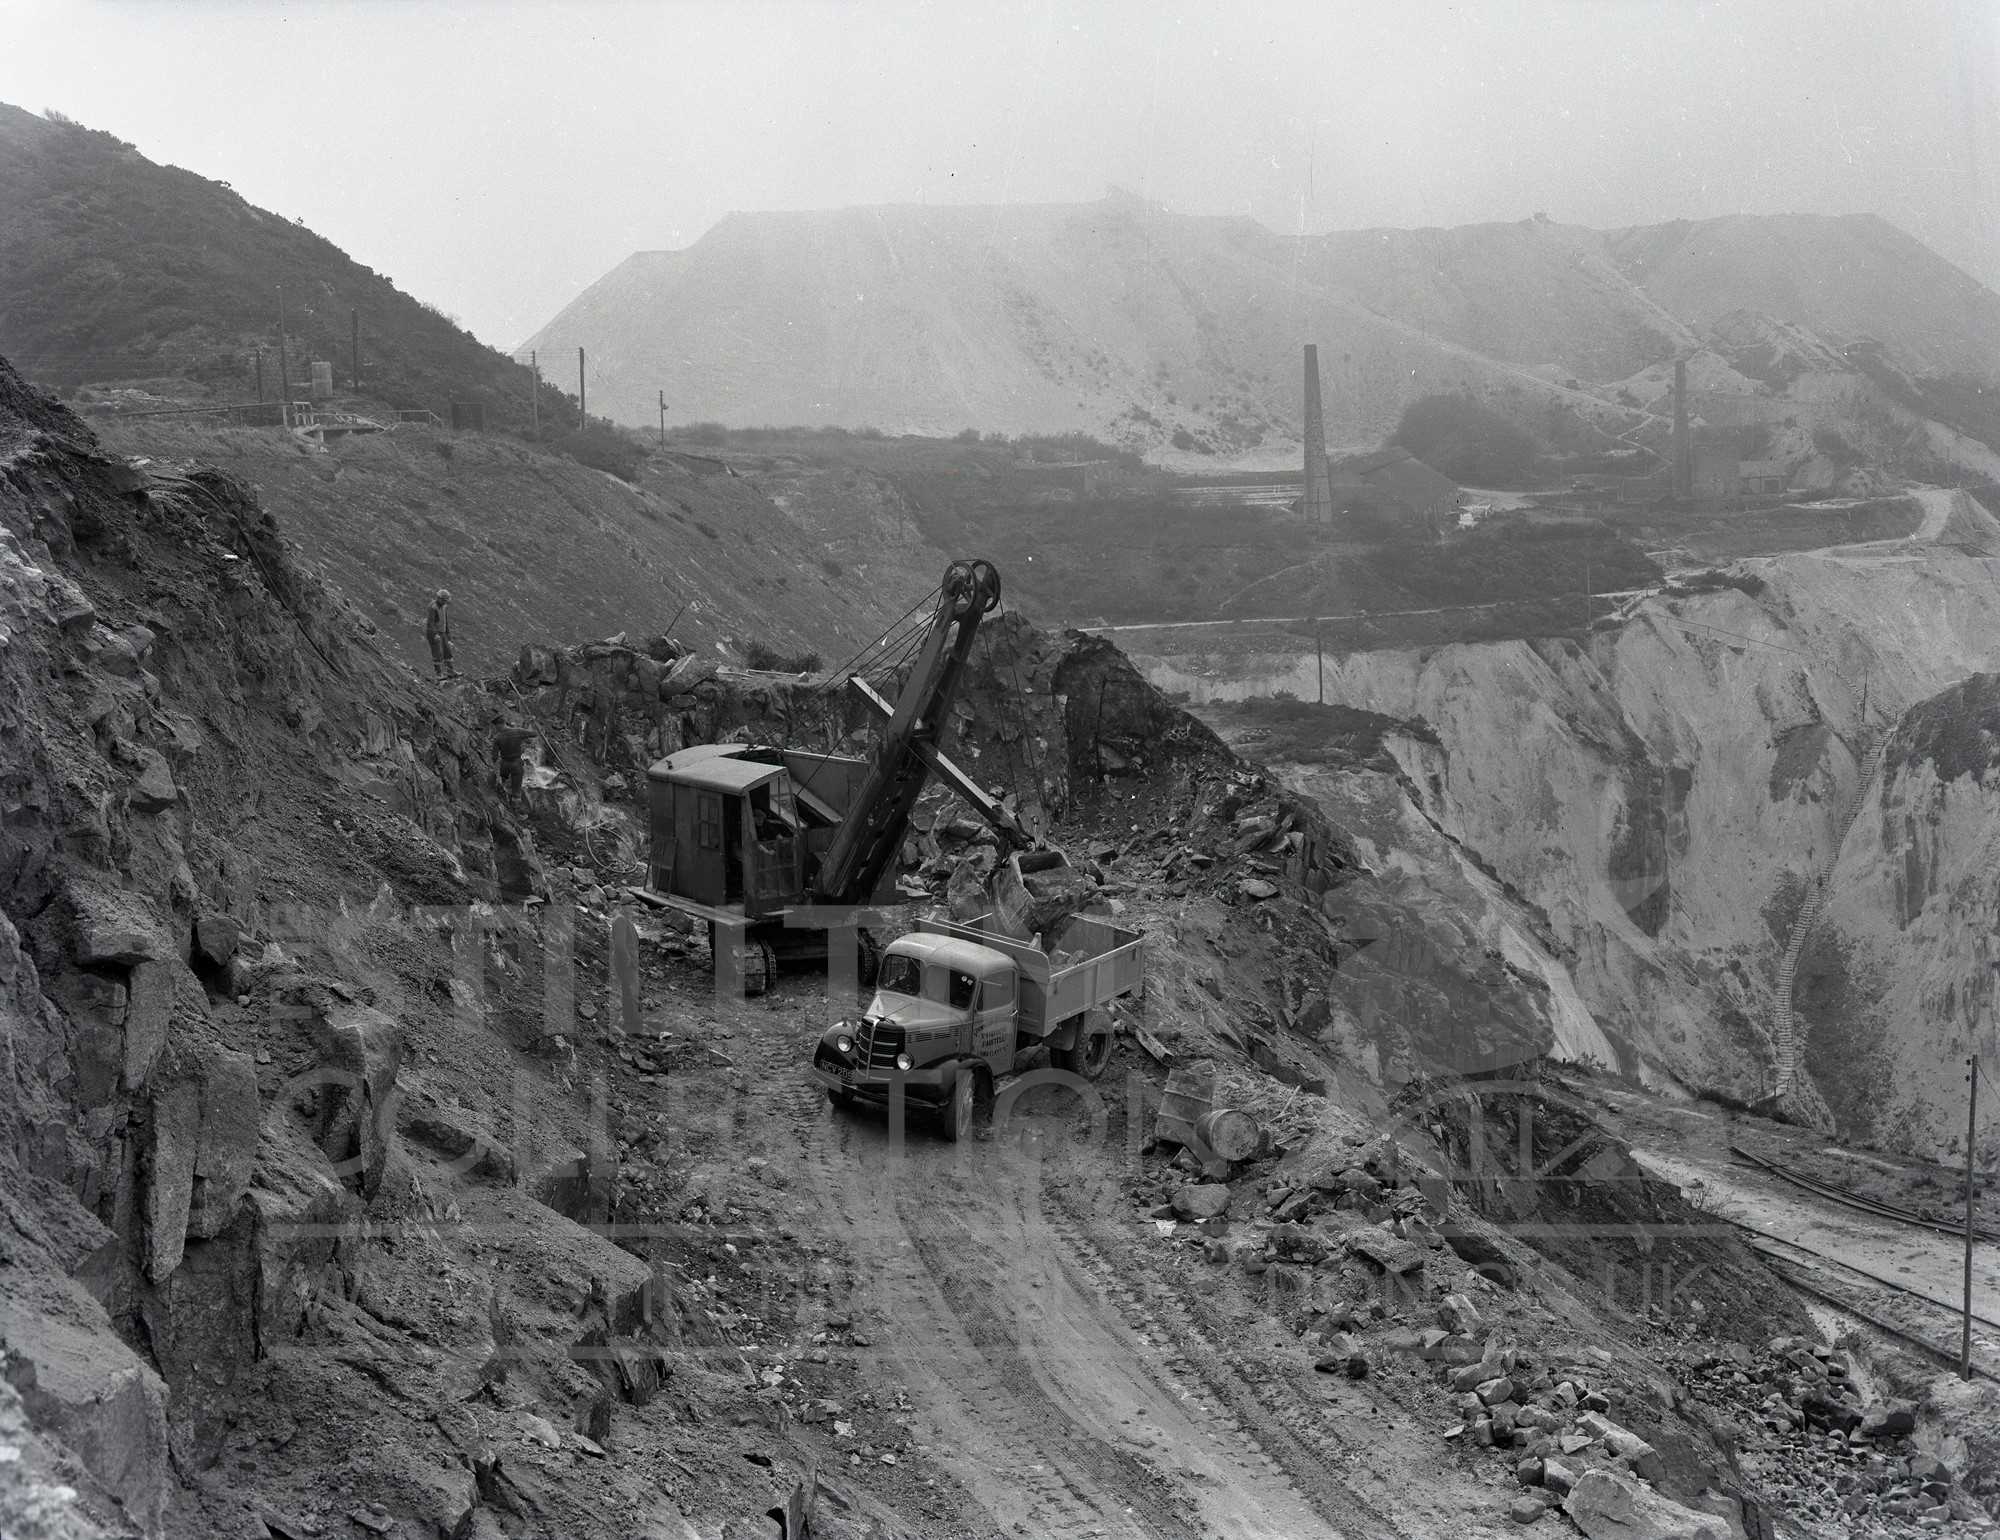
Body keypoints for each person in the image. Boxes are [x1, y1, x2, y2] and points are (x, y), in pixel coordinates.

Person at [425, 589, 455, 680]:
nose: (446, 602)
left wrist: (449, 638)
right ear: (439, 598)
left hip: (442, 632)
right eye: (444, 600)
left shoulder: (444, 606)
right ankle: (438, 674)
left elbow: (446, 622)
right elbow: (430, 623)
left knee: (448, 652)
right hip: (433, 633)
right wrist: (435, 634)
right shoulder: (432, 607)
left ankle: (450, 671)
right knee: (437, 653)